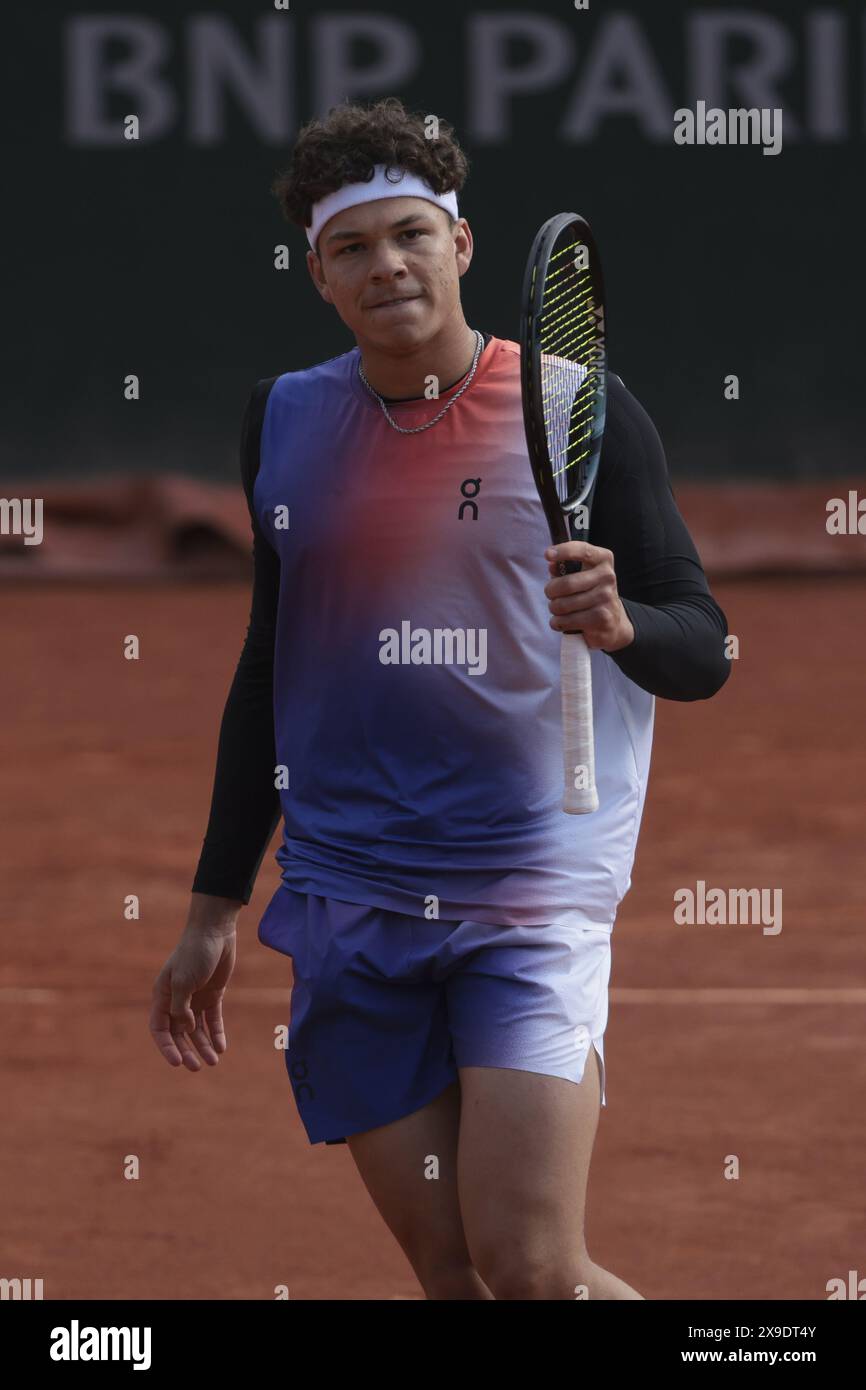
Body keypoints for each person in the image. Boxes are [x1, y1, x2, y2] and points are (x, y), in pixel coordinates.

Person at [149, 97, 731, 1301]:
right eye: (350, 247)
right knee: (451, 1266)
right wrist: (214, 900)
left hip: (529, 897)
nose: (386, 265)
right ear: (316, 272)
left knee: (533, 1268)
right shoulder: (283, 419)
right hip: (347, 893)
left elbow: (706, 645)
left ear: (459, 246)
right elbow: (274, 656)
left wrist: (623, 624)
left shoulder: (575, 409)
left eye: (410, 234)